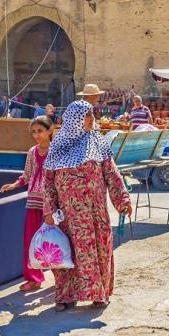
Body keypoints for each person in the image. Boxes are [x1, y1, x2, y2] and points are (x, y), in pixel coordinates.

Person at [43, 100, 132, 311]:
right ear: (75, 119)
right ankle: (65, 296)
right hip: (67, 216)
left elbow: (112, 174)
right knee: (68, 253)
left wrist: (123, 200)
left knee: (99, 251)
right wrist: (49, 210)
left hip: (95, 213)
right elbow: (48, 182)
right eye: (87, 116)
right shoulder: (58, 145)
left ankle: (99, 294)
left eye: (92, 115)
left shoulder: (98, 142)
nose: (92, 120)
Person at [0, 116, 53, 292]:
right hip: (33, 201)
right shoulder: (32, 152)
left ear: (50, 130)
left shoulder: (56, 151)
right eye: (34, 132)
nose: (37, 135)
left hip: (51, 203)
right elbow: (27, 175)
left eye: (40, 131)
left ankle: (63, 280)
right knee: (31, 241)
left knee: (54, 241)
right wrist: (14, 184)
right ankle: (34, 279)